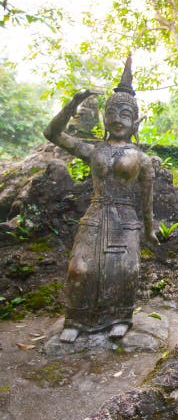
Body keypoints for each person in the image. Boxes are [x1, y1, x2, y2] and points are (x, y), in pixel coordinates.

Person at [43, 55, 158, 343]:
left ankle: (120, 317)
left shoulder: (141, 159)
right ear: (105, 118)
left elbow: (147, 200)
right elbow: (52, 133)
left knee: (125, 269)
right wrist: (72, 104)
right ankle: (76, 318)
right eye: (112, 113)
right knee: (79, 268)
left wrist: (149, 229)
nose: (117, 119)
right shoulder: (94, 151)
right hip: (95, 214)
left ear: (135, 122)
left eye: (125, 115)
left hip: (126, 219)